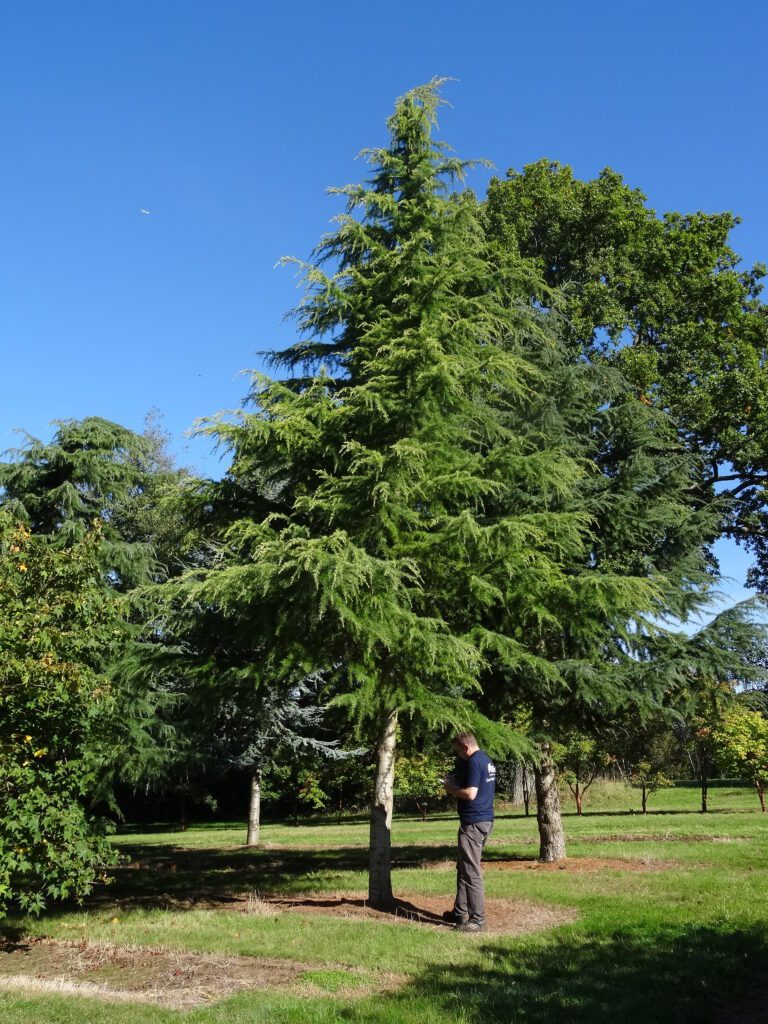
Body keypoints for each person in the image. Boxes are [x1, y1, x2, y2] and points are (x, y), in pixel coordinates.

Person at [442, 732, 496, 933]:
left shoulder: (474, 761)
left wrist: (451, 789)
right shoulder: (486, 760)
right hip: (484, 820)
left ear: (465, 746)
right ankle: (460, 912)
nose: (459, 757)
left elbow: (471, 793)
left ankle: (477, 920)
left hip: (473, 823)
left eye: (458, 752)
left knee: (471, 871)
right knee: (464, 868)